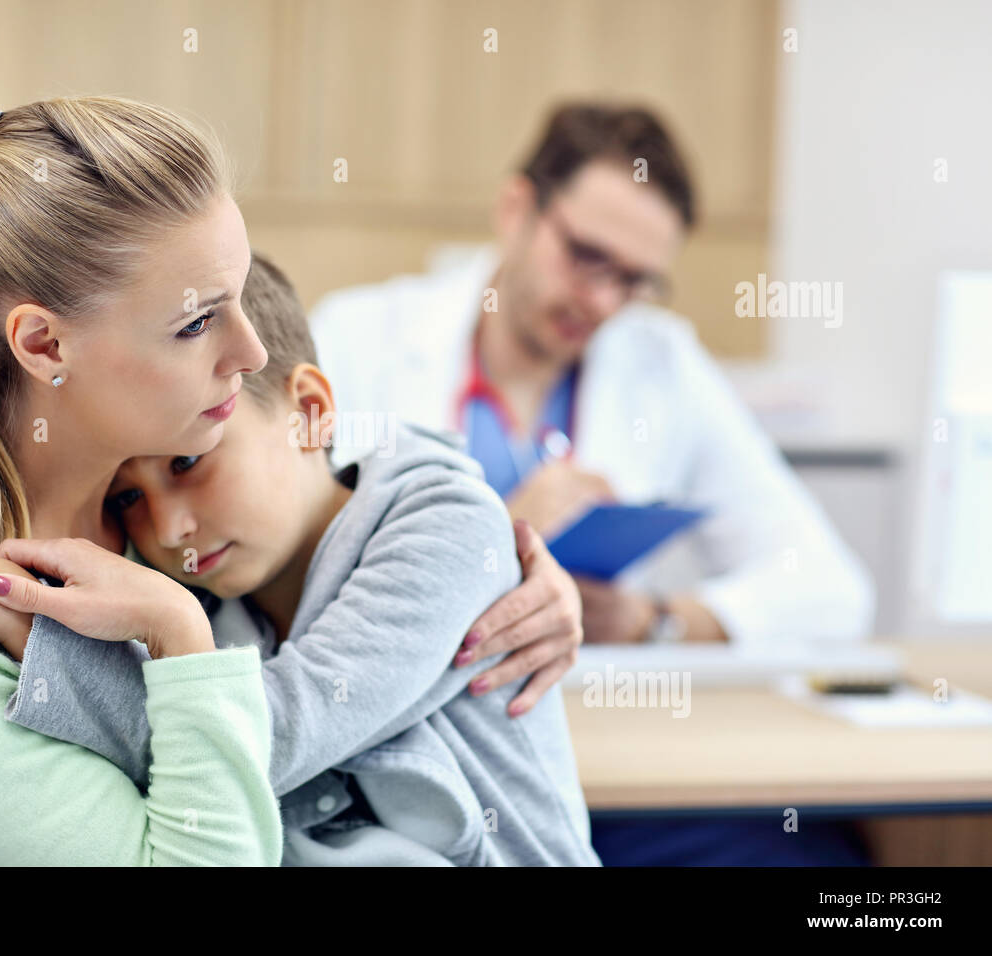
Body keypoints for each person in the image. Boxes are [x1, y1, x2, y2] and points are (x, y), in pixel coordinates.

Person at [0, 97, 587, 865]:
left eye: (238, 297)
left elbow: (328, 465)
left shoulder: (164, 516)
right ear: (45, 345)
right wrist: (151, 631)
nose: (249, 349)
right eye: (194, 323)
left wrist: (506, 561)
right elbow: (222, 764)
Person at [306, 103, 876, 865]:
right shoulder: (359, 337)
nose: (604, 301)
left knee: (826, 864)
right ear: (517, 210)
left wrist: (652, 619)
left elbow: (831, 585)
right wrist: (496, 530)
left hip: (601, 757)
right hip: (415, 766)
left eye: (635, 280)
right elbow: (298, 595)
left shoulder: (662, 363)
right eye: (586, 256)